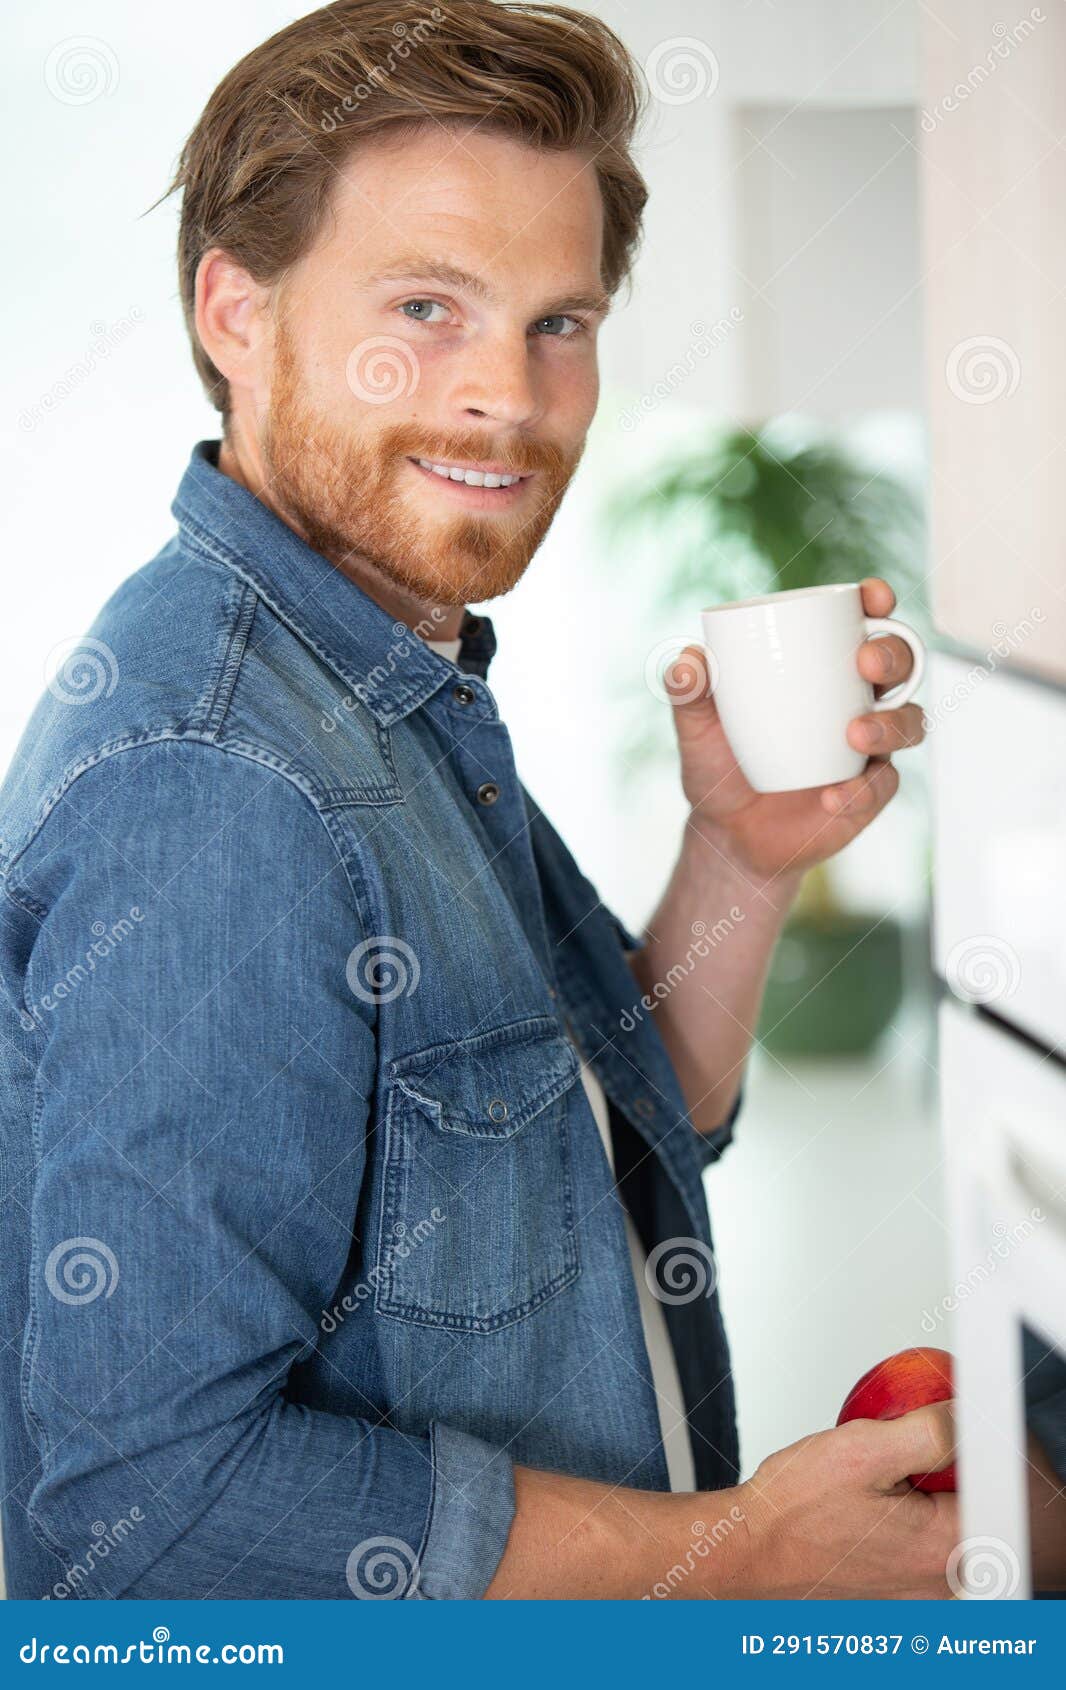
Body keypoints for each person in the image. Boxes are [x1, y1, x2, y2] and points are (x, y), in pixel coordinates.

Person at [1, 0, 1056, 1602]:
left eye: (558, 322)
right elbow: (145, 1506)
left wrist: (738, 859)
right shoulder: (219, 776)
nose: (507, 395)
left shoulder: (381, 676)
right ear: (236, 307)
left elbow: (583, 1144)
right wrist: (725, 1557)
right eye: (426, 307)